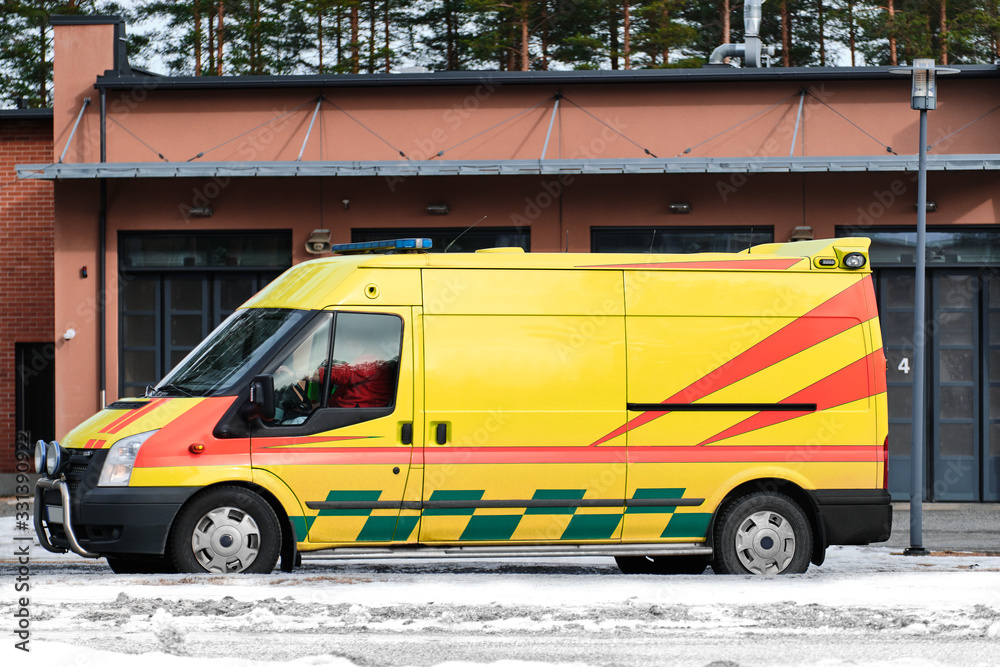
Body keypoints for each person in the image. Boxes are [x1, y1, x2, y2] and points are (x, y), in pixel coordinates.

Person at [315, 353, 396, 408]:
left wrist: (307, 374)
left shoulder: (372, 361)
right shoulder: (368, 362)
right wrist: (314, 407)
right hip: (344, 414)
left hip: (356, 419)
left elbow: (341, 373)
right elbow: (335, 403)